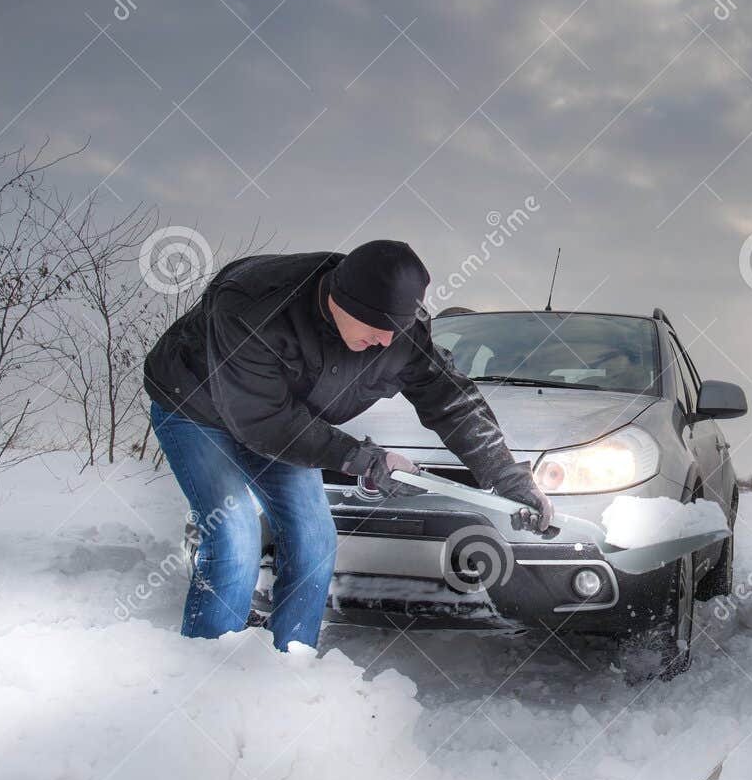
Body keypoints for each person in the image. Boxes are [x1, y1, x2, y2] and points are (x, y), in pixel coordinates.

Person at [143, 238, 553, 651]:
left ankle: (289, 661)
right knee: (234, 535)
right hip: (194, 406)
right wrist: (361, 458)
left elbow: (453, 401)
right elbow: (262, 423)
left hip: (290, 422)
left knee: (313, 538)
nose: (385, 342)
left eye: (395, 331)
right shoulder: (254, 306)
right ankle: (206, 676)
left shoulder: (399, 334)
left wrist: (507, 476)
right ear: (341, 300)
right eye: (376, 330)